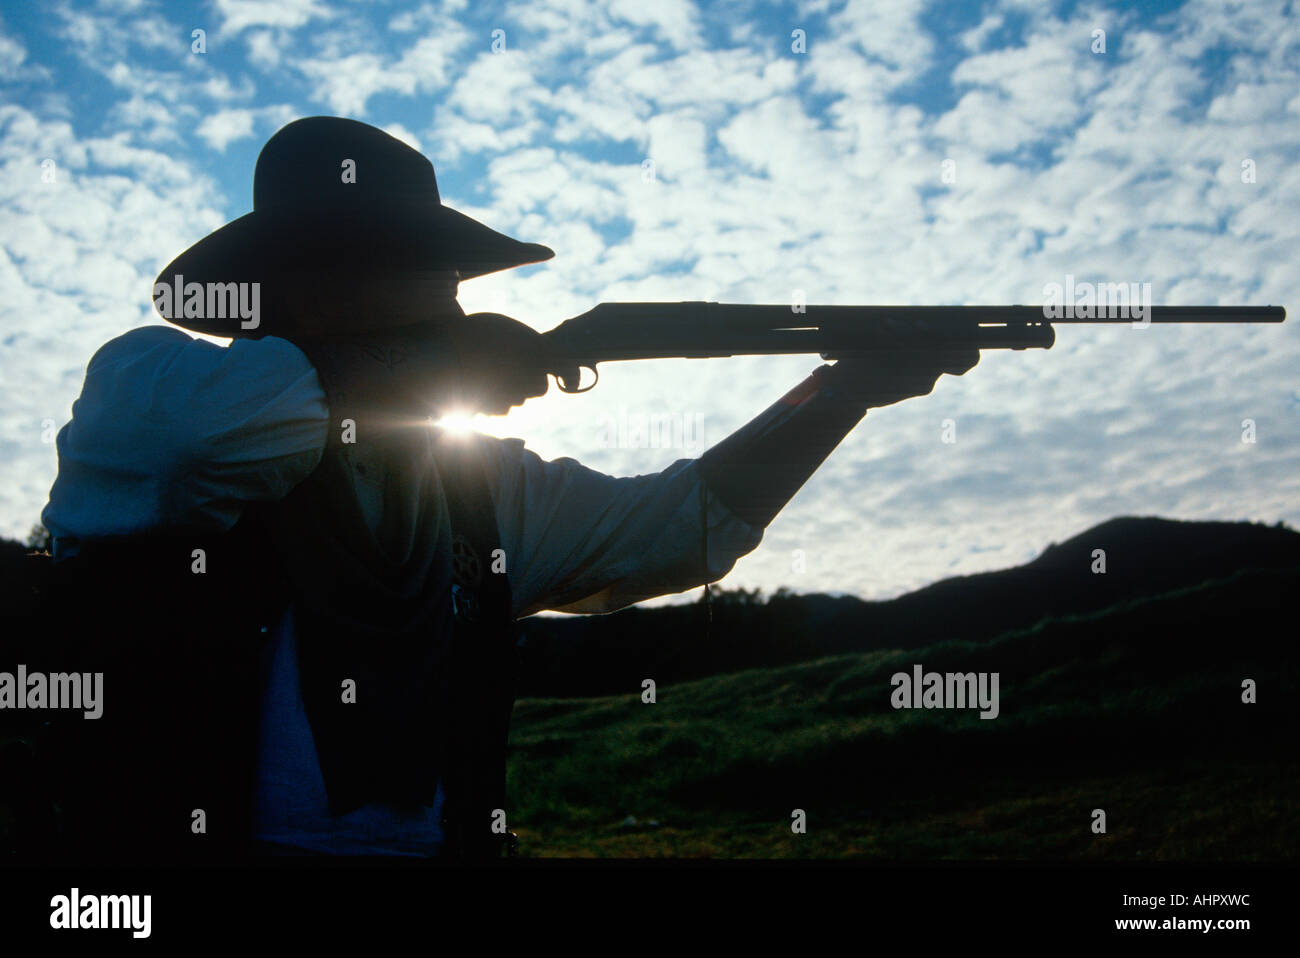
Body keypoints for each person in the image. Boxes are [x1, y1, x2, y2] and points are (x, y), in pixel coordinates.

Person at [39, 116, 977, 861]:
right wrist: (419, 364)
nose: (451, 302)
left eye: (446, 282)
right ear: (299, 286)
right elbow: (200, 437)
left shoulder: (469, 484)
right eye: (417, 273)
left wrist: (836, 394)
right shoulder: (147, 387)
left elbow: (685, 530)